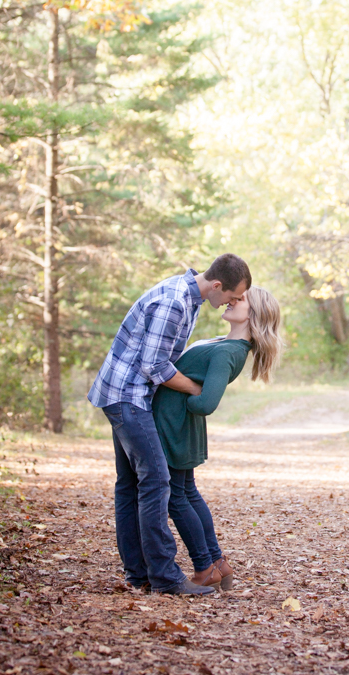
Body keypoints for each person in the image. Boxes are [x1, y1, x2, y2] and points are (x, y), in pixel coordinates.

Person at [87, 254, 251, 596]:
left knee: (130, 485)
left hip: (128, 393)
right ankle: (165, 577)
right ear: (217, 285)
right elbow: (154, 366)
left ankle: (139, 575)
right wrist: (195, 388)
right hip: (128, 395)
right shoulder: (175, 302)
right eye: (233, 296)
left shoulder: (189, 297)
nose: (233, 302)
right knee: (158, 481)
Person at [152, 286, 283, 590]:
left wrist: (186, 396)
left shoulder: (228, 352)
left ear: (253, 314)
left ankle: (204, 567)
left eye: (241, 300)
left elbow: (206, 403)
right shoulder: (227, 343)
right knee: (187, 493)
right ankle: (216, 562)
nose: (233, 300)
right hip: (181, 427)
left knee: (177, 498)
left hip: (176, 426)